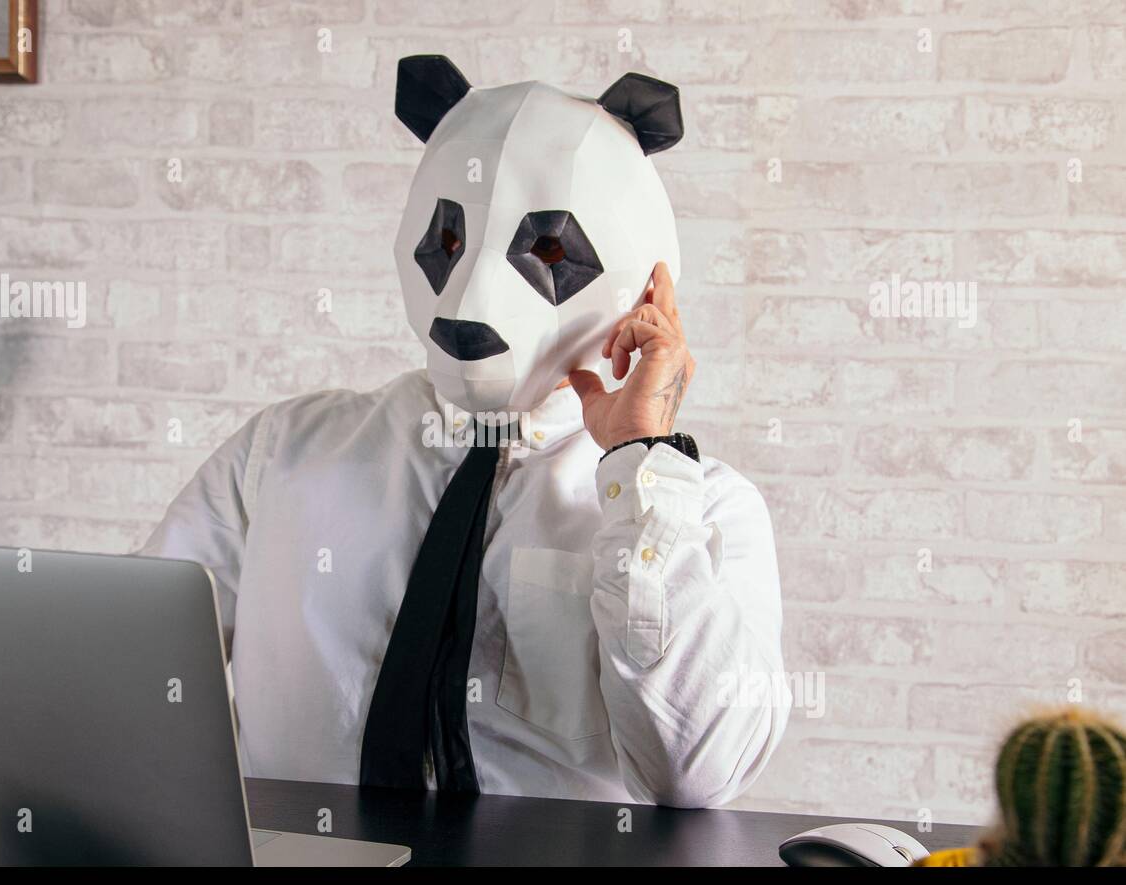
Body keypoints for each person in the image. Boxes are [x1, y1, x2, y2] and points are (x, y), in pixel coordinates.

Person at [141, 57, 788, 807]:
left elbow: (699, 775)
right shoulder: (279, 453)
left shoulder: (704, 511)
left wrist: (642, 468)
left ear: (648, 286)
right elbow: (133, 666)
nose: (474, 294)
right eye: (450, 242)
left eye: (546, 250)